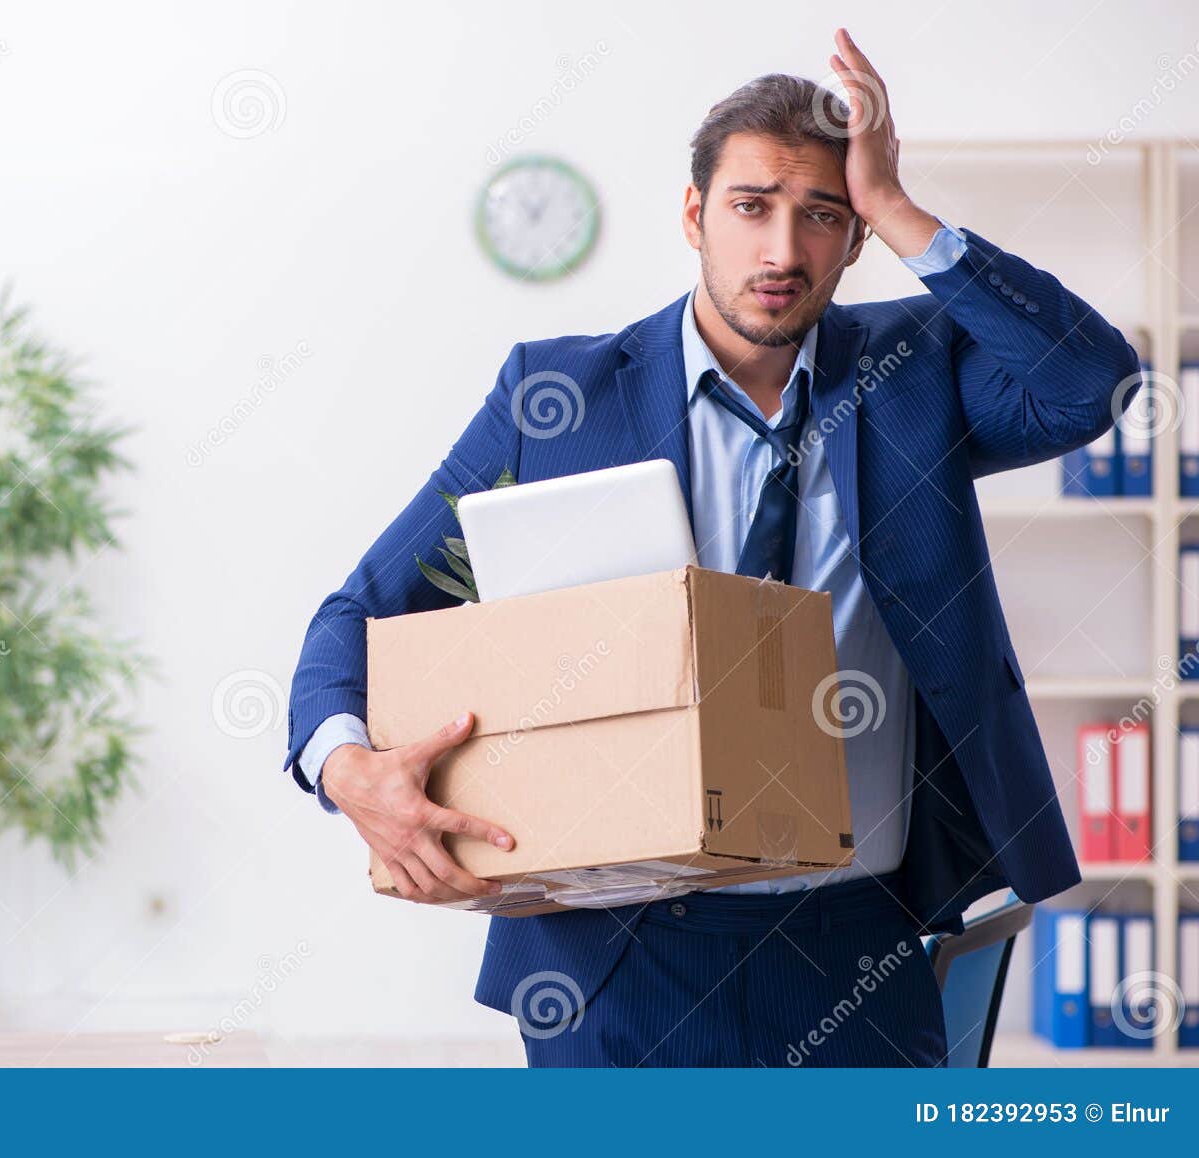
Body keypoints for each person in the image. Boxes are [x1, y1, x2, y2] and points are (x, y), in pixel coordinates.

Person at [282, 28, 1138, 1067]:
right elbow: (361, 611)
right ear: (693, 215)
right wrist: (344, 767)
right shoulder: (555, 400)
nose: (782, 251)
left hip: (856, 941)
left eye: (822, 215)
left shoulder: (915, 374)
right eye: (750, 207)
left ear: (855, 236)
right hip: (618, 950)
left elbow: (1088, 384)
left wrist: (900, 206)